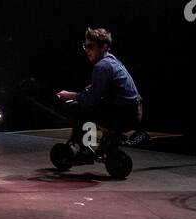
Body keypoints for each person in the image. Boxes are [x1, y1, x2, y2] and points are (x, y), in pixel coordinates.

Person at [56, 27, 144, 158]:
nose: (87, 51)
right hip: (134, 112)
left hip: (124, 114)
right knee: (91, 106)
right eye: (85, 46)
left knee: (78, 108)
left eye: (91, 47)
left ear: (103, 47)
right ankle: (106, 142)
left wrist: (68, 95)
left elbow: (90, 99)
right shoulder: (112, 60)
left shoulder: (101, 66)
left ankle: (83, 148)